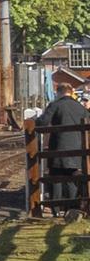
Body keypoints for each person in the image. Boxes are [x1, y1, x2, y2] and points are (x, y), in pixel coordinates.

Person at [36, 79, 89, 216]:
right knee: (72, 179)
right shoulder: (80, 107)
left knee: (56, 179)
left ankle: (56, 209)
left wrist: (33, 121)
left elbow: (42, 122)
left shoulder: (55, 105)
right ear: (71, 93)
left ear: (58, 93)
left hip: (58, 148)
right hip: (77, 148)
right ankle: (71, 209)